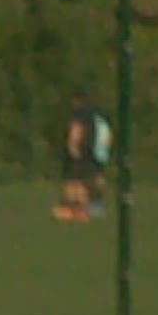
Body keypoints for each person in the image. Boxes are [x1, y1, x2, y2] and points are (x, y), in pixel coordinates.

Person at [53, 92, 99, 222]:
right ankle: (81, 211)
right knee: (81, 181)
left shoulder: (78, 114)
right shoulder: (91, 115)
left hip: (78, 151)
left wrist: (72, 146)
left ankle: (73, 209)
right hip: (87, 150)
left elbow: (76, 130)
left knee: (72, 181)